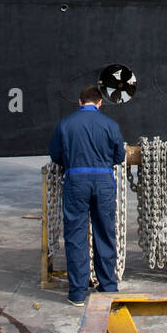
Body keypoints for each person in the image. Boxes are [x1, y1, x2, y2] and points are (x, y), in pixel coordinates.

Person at [49, 85, 126, 307]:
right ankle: (108, 287)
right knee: (104, 233)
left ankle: (77, 293)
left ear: (80, 101)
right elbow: (119, 155)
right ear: (100, 102)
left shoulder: (65, 124)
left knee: (75, 236)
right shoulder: (110, 125)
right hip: (103, 181)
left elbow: (55, 154)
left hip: (76, 180)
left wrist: (73, 164)